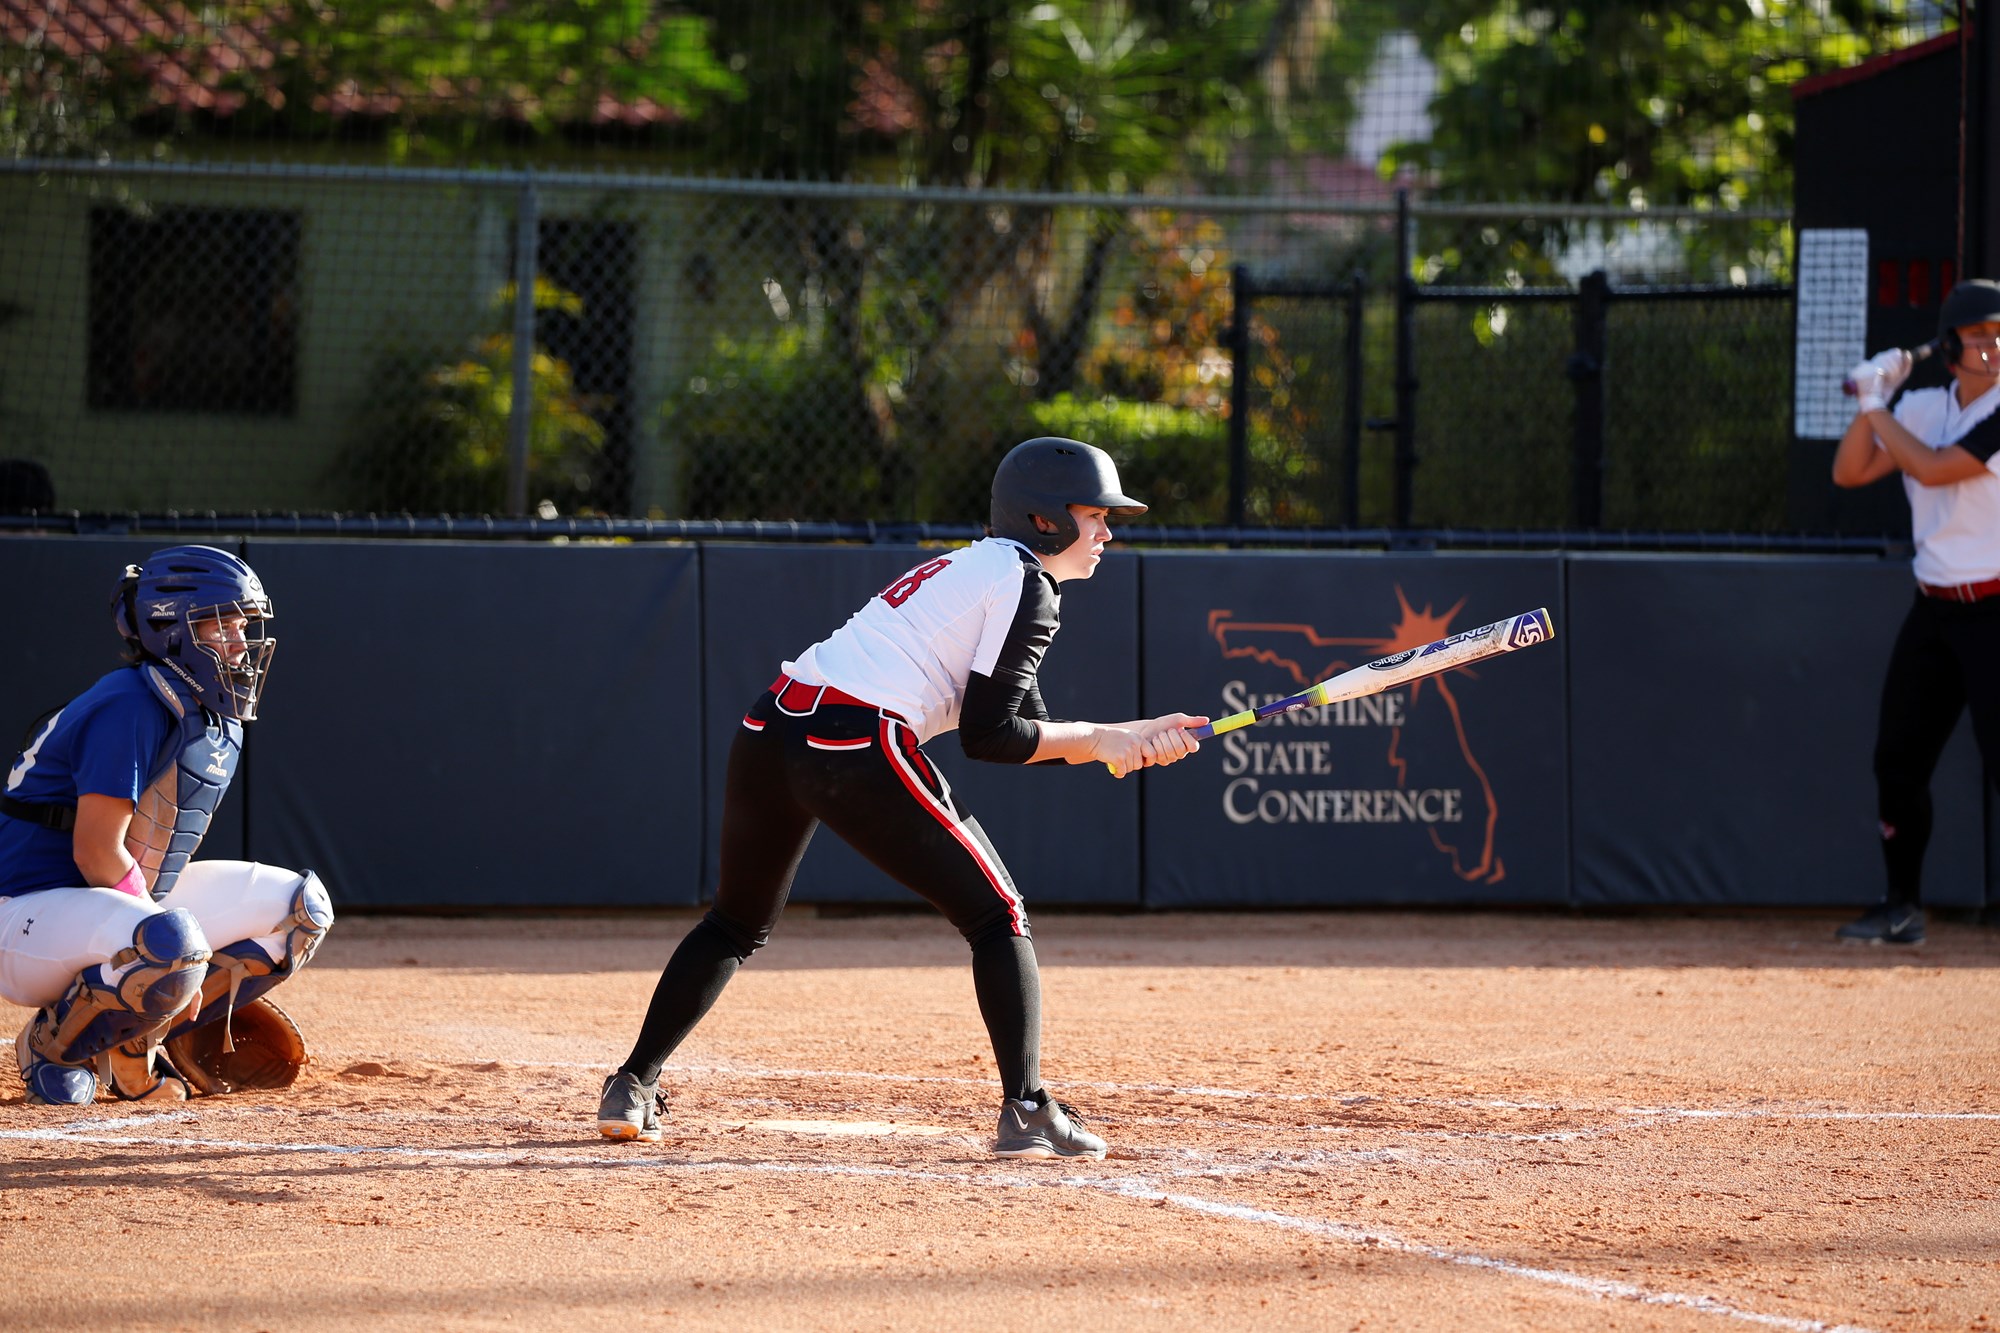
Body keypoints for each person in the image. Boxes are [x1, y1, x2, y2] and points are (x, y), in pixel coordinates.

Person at [596, 437, 1206, 1157]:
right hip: (852, 737)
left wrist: (1127, 735)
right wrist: (1105, 738)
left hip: (772, 725)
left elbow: (1027, 724)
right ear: (1046, 520)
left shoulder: (979, 565)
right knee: (997, 911)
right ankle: (1028, 1107)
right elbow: (990, 735)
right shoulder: (1025, 583)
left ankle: (630, 1083)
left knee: (734, 923)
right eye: (1096, 514)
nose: (1108, 531)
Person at [1, 545, 334, 1103]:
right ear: (170, 630)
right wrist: (175, 959)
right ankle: (54, 1044)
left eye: (241, 622)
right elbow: (96, 853)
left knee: (302, 908)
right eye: (218, 622)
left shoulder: (210, 713)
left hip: (104, 911)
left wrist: (173, 966)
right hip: (22, 916)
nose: (237, 640)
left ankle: (133, 1040)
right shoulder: (129, 703)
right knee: (172, 942)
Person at [1832, 278, 2000, 945]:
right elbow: (1850, 472)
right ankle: (1901, 905)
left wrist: (1877, 402)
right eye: (1980, 337)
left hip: (1995, 607)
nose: (1992, 348)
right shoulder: (1926, 405)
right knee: (1897, 758)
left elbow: (1932, 469)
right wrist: (1877, 400)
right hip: (1934, 607)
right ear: (1952, 342)